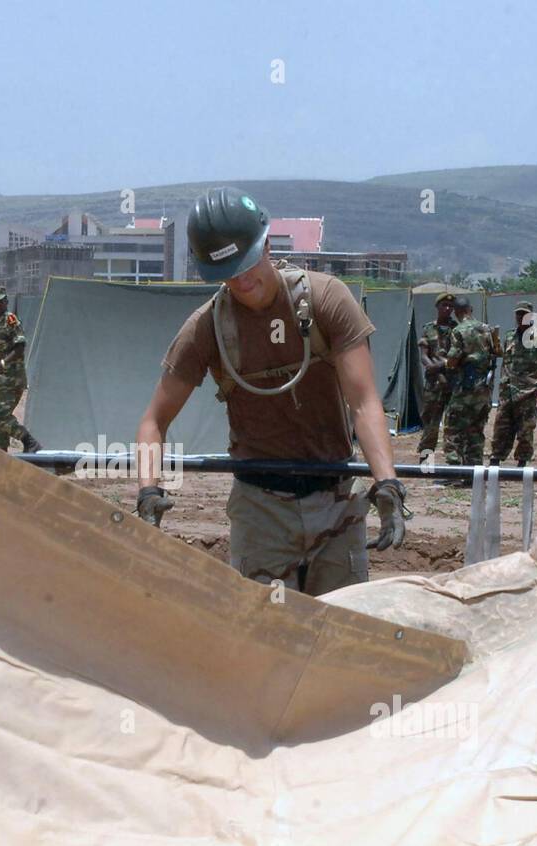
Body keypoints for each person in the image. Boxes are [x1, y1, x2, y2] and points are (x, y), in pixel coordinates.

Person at [135, 187, 406, 595]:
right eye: (228, 273)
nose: (242, 281)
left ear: (266, 245)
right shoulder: (207, 328)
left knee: (341, 621)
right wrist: (148, 491)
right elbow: (153, 422)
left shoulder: (326, 299)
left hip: (335, 497)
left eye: (247, 265)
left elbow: (364, 402)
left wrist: (387, 483)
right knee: (265, 624)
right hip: (259, 508)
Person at [490, 299, 537, 467]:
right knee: (501, 428)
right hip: (507, 392)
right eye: (518, 314)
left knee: (525, 430)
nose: (521, 317)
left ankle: (522, 464)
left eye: (524, 314)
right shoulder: (509, 336)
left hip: (527, 392)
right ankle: (495, 461)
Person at [0, 285, 41, 452]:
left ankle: (30, 442)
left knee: (1, 416)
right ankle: (1, 454)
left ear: (6, 301)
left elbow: (20, 348)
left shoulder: (11, 320)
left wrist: (0, 365)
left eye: (0, 302)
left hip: (11, 379)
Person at [442, 296, 495, 471]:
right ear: (470, 309)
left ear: (457, 312)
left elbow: (453, 360)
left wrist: (445, 363)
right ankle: (474, 471)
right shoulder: (486, 329)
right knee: (475, 430)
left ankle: (454, 469)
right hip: (484, 388)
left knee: (452, 428)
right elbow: (496, 353)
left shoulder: (458, 331)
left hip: (465, 388)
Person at [416, 292, 457, 463]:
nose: (447, 309)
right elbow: (424, 355)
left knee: (453, 425)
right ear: (437, 307)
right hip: (433, 386)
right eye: (444, 305)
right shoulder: (429, 329)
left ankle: (453, 463)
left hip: (453, 384)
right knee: (430, 426)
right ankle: (426, 463)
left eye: (450, 306)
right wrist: (433, 366)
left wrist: (439, 365)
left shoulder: (457, 329)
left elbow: (458, 357)